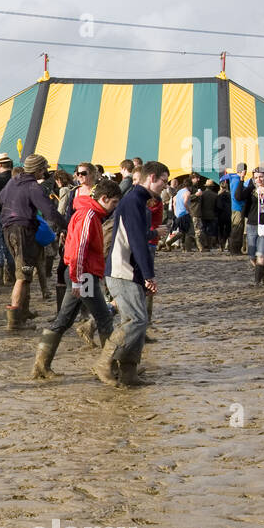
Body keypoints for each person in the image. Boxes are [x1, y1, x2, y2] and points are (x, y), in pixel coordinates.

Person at [33, 178, 120, 379]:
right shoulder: (89, 215)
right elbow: (79, 250)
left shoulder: (87, 212)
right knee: (104, 319)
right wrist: (79, 279)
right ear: (104, 198)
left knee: (64, 319)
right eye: (114, 202)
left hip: (81, 273)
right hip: (84, 274)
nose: (114, 207)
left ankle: (41, 366)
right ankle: (110, 368)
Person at [96, 161, 168, 388]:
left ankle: (129, 373)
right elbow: (137, 240)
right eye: (163, 181)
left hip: (128, 269)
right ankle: (104, 362)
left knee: (135, 320)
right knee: (137, 320)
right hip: (121, 269)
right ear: (152, 177)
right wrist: (149, 275)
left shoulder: (138, 201)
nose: (164, 186)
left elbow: (139, 237)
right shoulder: (134, 201)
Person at [0, 154, 61, 330]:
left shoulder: (13, 181)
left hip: (8, 230)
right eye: (44, 169)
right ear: (39, 169)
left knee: (24, 271)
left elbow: (1, 198)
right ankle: (14, 321)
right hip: (23, 231)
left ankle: (23, 313)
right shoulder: (33, 186)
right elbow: (49, 213)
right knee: (23, 276)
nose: (46, 172)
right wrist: (68, 225)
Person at [236, 168, 264, 285]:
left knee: (261, 254)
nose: (258, 179)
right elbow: (238, 196)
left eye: (260, 177)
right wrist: (241, 179)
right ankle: (261, 274)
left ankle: (257, 281)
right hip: (252, 224)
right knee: (251, 255)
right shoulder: (251, 188)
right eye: (256, 177)